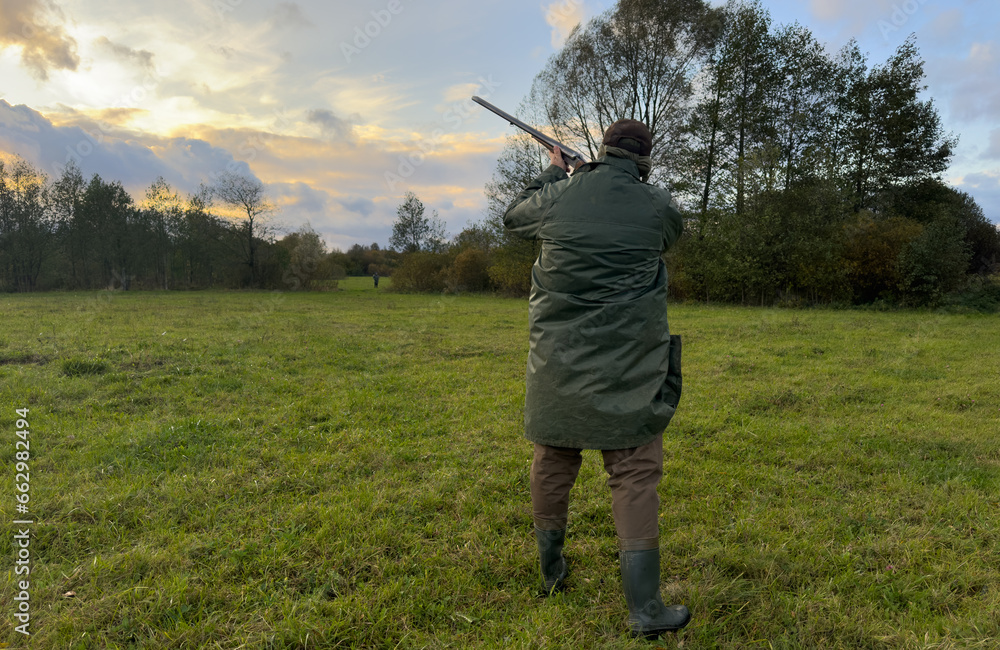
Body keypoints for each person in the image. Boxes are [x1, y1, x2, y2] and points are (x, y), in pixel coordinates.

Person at [503, 119, 688, 639]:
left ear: (603, 148)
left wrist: (554, 175)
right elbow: (668, 230)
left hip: (555, 363)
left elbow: (513, 218)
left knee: (553, 460)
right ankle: (646, 611)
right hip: (631, 366)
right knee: (634, 475)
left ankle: (552, 573)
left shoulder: (560, 194)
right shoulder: (658, 206)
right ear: (644, 159)